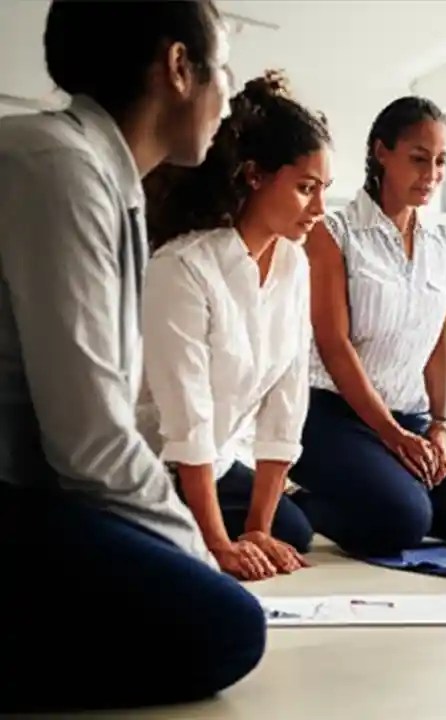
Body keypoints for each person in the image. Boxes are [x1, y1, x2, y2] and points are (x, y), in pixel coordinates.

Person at [0, 1, 267, 711]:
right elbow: (89, 442)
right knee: (226, 627)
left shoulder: (98, 177)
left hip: (32, 490)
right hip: (18, 493)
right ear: (179, 67)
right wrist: (200, 555)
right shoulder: (59, 167)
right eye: (223, 68)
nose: (227, 97)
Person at [138, 70, 329, 582]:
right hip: (156, 464)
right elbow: (188, 420)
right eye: (306, 189)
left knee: (290, 530)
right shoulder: (182, 267)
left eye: (323, 191)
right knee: (190, 563)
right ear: (254, 176)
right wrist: (218, 544)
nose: (319, 209)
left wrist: (257, 530)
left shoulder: (294, 265)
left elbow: (287, 402)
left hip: (216, 464)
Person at [292, 96, 446, 557]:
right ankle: (299, 503)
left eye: (441, 161)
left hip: (410, 415)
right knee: (403, 521)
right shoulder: (333, 233)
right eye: (419, 158)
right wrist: (391, 435)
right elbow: (333, 343)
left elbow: (438, 338)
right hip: (330, 413)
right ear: (381, 152)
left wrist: (441, 426)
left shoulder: (438, 244)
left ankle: (395, 487)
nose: (431, 174)